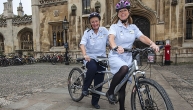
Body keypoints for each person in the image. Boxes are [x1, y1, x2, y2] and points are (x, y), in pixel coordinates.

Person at [106, 0, 159, 110]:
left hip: (127, 56)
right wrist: (115, 46)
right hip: (116, 56)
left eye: (124, 10)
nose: (122, 13)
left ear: (128, 12)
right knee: (124, 68)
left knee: (123, 85)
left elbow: (142, 37)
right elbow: (111, 38)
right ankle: (110, 92)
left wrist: (152, 43)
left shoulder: (133, 27)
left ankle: (122, 108)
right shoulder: (114, 27)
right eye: (120, 11)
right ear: (118, 14)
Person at [79, 12, 109, 109]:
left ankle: (94, 101)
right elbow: (82, 44)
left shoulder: (104, 30)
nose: (95, 23)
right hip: (90, 58)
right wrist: (85, 55)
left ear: (99, 21)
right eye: (92, 22)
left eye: (96, 21)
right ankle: (85, 87)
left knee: (99, 81)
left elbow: (110, 43)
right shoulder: (87, 33)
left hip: (102, 58)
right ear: (90, 23)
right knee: (92, 67)